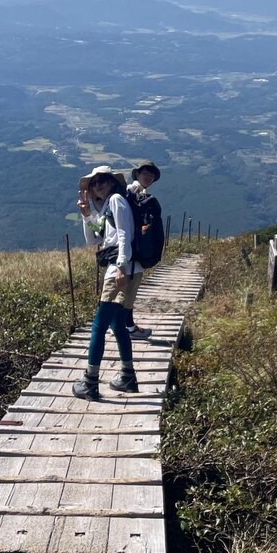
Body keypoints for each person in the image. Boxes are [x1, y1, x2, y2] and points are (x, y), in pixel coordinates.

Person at [74, 166, 141, 399]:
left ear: (112, 183)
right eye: (93, 183)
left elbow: (124, 234)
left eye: (102, 180)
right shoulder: (107, 209)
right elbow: (94, 239)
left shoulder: (116, 201)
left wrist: (121, 266)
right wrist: (86, 215)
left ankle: (90, 382)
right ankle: (127, 377)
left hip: (120, 270)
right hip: (126, 268)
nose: (97, 185)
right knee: (116, 324)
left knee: (98, 325)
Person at [123, 162, 162, 342]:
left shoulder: (139, 194)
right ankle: (128, 328)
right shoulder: (131, 191)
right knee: (128, 292)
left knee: (129, 291)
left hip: (133, 250)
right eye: (145, 173)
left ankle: (126, 325)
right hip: (130, 251)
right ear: (137, 174)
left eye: (151, 175)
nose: (148, 177)